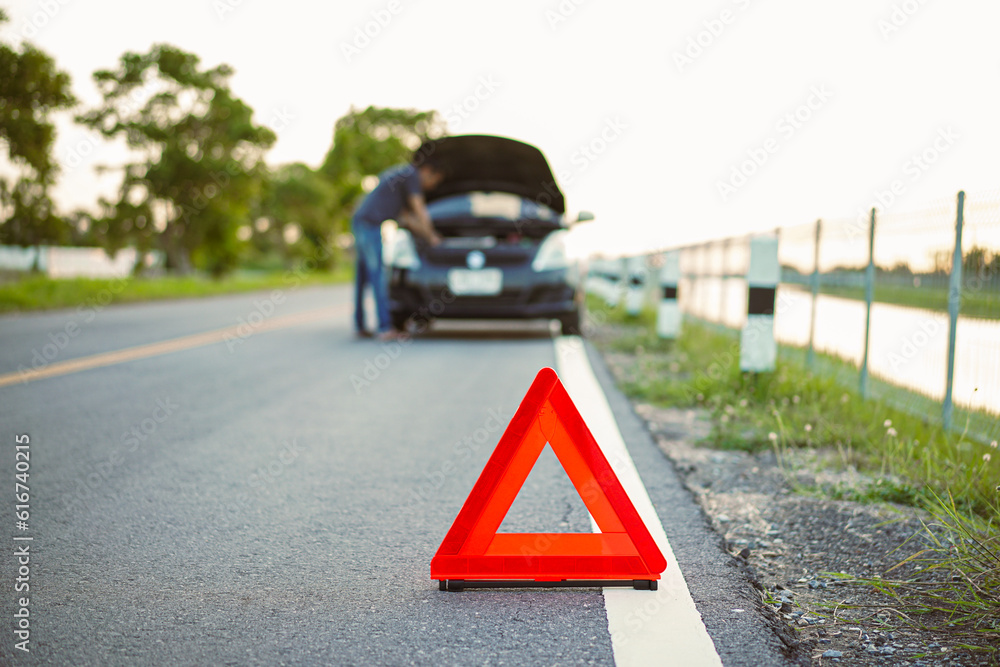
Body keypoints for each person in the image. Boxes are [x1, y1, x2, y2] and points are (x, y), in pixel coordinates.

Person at [352, 159, 445, 341]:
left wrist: (427, 235)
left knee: (363, 276)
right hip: (369, 225)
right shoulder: (411, 175)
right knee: (378, 274)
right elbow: (420, 211)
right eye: (434, 180)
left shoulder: (401, 178)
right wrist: (432, 237)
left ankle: (360, 325)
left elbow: (407, 219)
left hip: (362, 221)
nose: (431, 186)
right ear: (427, 171)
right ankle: (385, 327)